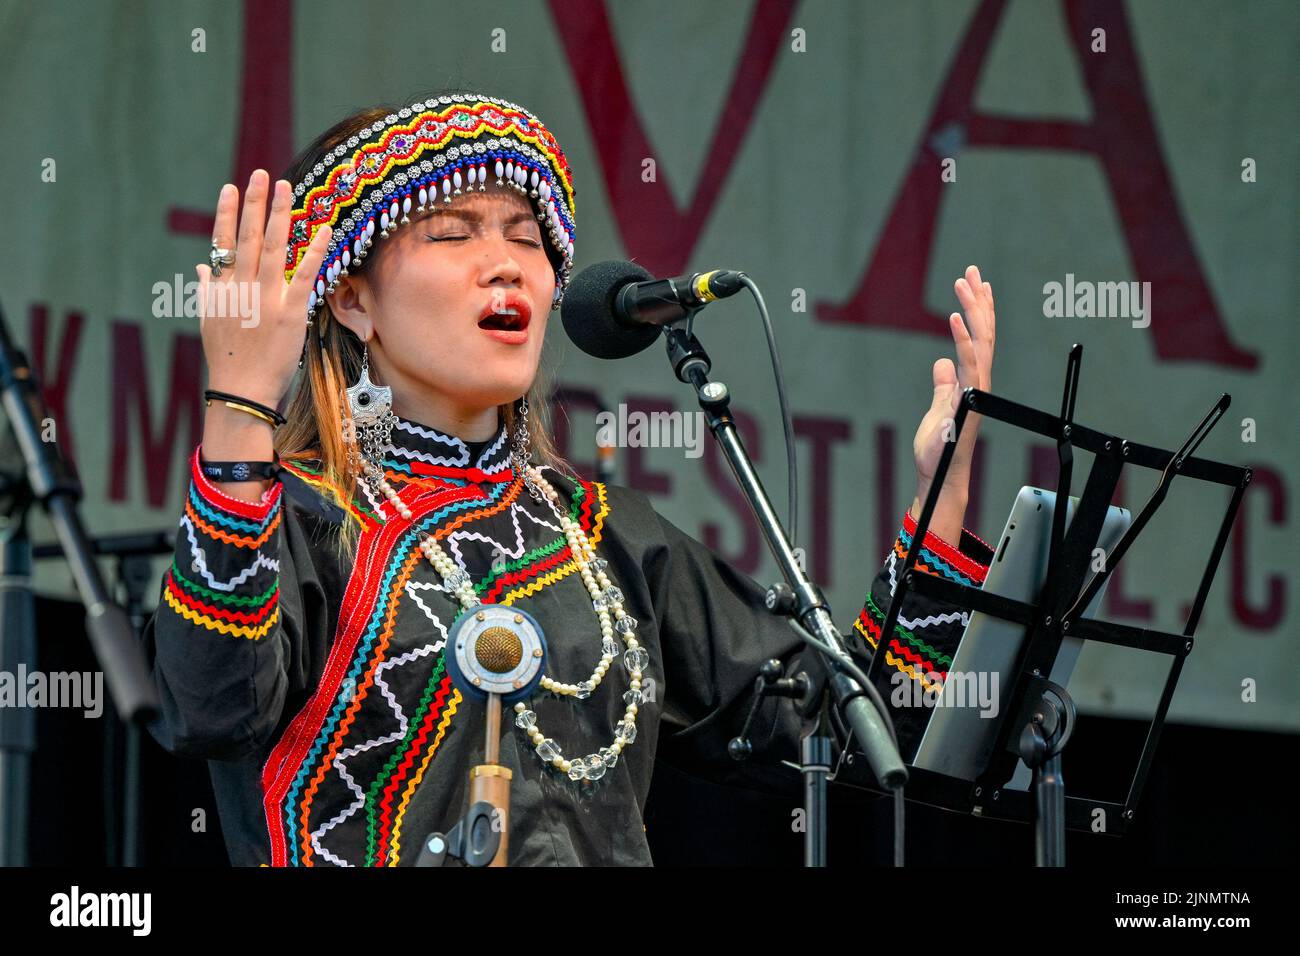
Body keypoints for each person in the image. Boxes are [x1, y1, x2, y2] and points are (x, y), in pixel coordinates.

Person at [141, 90, 997, 867]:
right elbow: (206, 708)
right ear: (353, 301)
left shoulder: (610, 537)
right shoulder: (293, 515)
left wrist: (942, 495)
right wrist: (240, 407)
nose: (507, 263)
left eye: (526, 238)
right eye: (451, 233)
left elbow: (843, 739)